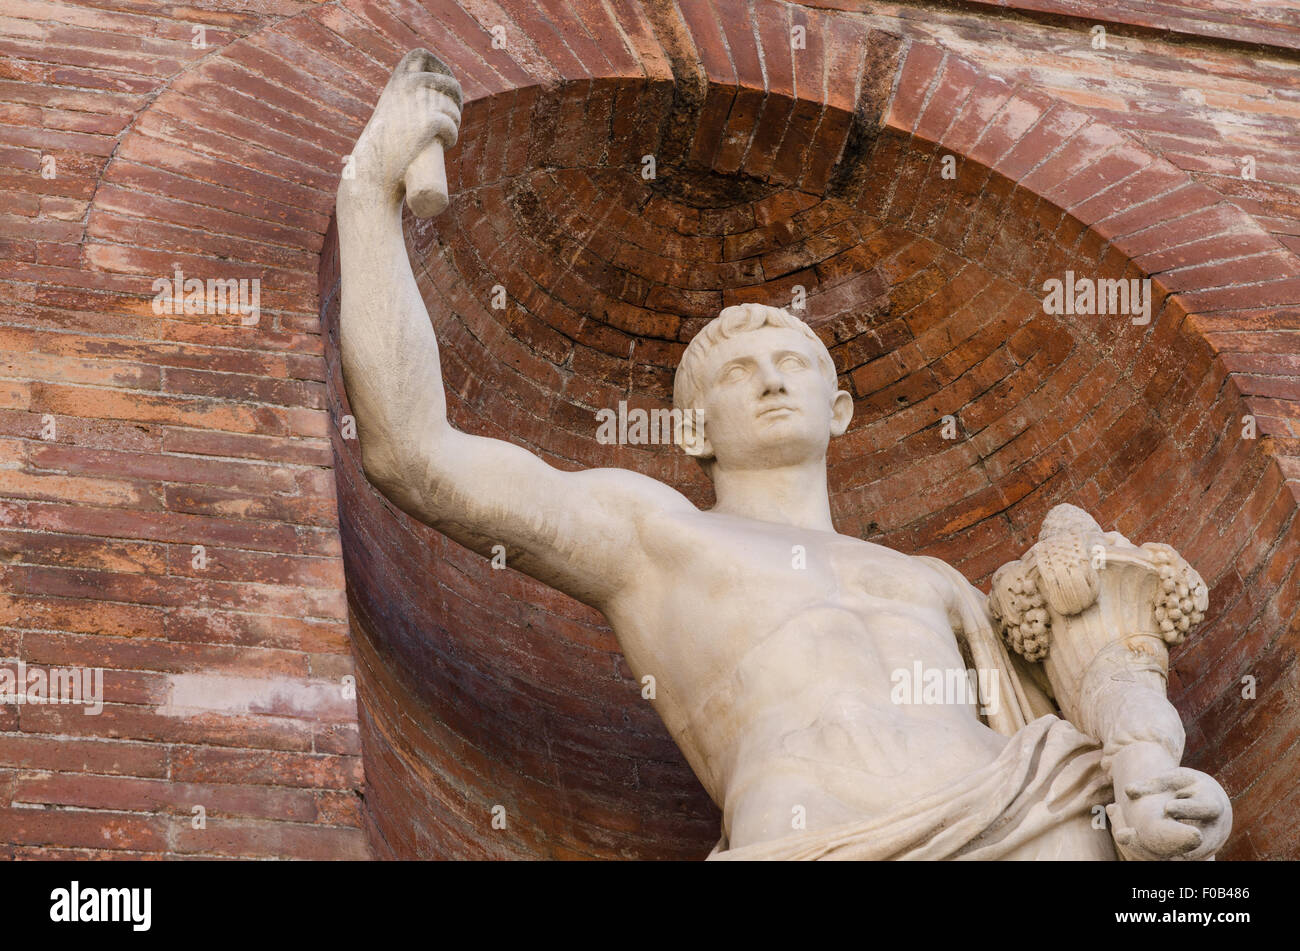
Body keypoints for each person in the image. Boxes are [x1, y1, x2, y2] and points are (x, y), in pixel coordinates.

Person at [336, 50, 1230, 860]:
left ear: (839, 409)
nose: (772, 378)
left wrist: (1163, 796)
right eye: (740, 372)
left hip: (1029, 817)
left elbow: (1104, 680)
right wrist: (368, 191)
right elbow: (413, 453)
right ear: (693, 431)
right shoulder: (655, 536)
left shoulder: (935, 580)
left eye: (795, 363)